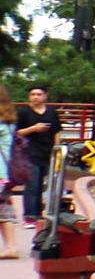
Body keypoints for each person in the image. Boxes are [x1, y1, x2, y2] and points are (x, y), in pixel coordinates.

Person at [14, 85, 61, 225]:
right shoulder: (23, 113)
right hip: (29, 152)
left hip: (47, 152)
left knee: (45, 184)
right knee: (32, 184)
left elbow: (57, 131)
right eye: (32, 94)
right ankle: (29, 215)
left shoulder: (51, 112)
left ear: (45, 96)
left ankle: (39, 213)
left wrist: (57, 148)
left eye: (38, 94)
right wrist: (33, 129)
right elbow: (17, 133)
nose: (35, 97)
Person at [0, 87, 18, 259]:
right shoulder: (9, 122)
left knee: (4, 210)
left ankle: (11, 246)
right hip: (3, 173)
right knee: (4, 210)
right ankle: (10, 246)